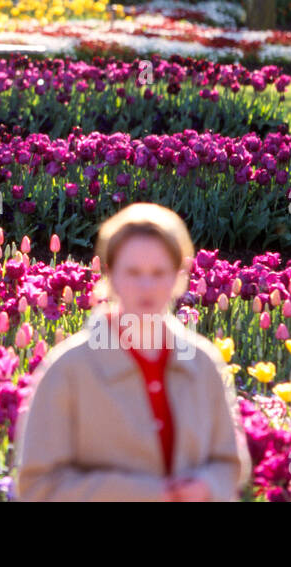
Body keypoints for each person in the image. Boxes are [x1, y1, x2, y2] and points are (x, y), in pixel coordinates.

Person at [14, 203, 251, 502]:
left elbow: (228, 463)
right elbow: (37, 485)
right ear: (110, 274)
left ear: (179, 276)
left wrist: (205, 487)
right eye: (133, 271)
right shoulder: (69, 369)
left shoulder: (202, 362)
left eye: (158, 272)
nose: (146, 285)